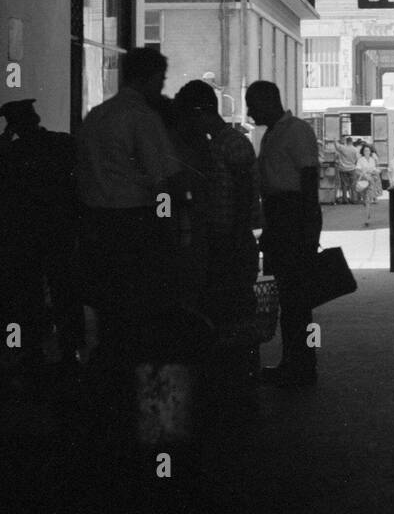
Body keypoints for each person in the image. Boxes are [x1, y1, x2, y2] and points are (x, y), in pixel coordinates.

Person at [75, 47, 185, 348]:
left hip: (97, 223)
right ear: (148, 78)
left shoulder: (95, 116)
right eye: (160, 79)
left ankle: (111, 371)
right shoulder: (141, 117)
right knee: (140, 308)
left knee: (109, 309)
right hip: (137, 223)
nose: (162, 87)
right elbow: (161, 180)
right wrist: (168, 225)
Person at [0, 98, 81, 371]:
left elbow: (2, 190)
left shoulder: (12, 153)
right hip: (61, 226)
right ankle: (71, 348)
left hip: (27, 231)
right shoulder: (63, 142)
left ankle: (32, 349)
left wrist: (3, 147)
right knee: (65, 288)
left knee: (29, 291)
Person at [171, 80, 263, 344]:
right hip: (225, 239)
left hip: (231, 240)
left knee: (235, 312)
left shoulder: (231, 143)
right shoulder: (217, 144)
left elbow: (245, 194)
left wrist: (235, 239)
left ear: (201, 112)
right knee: (227, 310)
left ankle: (242, 373)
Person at [246, 80, 322, 388]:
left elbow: (309, 179)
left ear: (268, 102)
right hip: (280, 218)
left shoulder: (297, 131)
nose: (249, 112)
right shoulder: (272, 133)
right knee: (289, 300)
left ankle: (305, 365)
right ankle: (294, 361)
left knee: (299, 302)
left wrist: (308, 227)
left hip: (293, 217)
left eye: (252, 104)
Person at [356, 144, 382, 226]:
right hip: (364, 181)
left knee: (368, 200)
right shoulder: (360, 160)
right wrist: (364, 175)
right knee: (366, 200)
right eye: (365, 150)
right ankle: (368, 213)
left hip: (371, 181)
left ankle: (367, 219)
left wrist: (376, 171)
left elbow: (375, 169)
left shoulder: (372, 159)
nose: (367, 152)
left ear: (370, 151)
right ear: (363, 152)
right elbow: (357, 171)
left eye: (368, 150)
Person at [335, 136, 359, 205]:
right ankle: (354, 199)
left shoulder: (343, 148)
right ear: (352, 142)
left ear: (346, 142)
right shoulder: (355, 149)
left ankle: (345, 200)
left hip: (343, 169)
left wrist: (334, 139)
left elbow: (336, 145)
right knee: (353, 184)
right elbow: (357, 159)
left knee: (344, 185)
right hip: (352, 168)